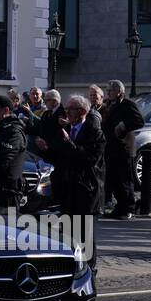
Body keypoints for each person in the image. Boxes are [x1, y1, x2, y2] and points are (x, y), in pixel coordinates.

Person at [40, 94, 104, 268]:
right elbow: (58, 157)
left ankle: (89, 272)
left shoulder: (94, 131)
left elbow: (88, 160)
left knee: (85, 237)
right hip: (67, 190)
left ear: (82, 111)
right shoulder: (67, 129)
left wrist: (69, 143)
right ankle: (73, 269)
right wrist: (46, 149)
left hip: (85, 191)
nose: (66, 112)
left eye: (70, 109)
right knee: (69, 235)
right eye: (66, 109)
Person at [101, 80, 144, 219]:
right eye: (107, 91)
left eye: (111, 91)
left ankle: (128, 208)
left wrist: (124, 125)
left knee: (124, 178)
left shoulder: (127, 104)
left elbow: (139, 121)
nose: (108, 93)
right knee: (113, 179)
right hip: (110, 146)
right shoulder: (109, 105)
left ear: (119, 92)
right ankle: (119, 207)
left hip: (123, 146)